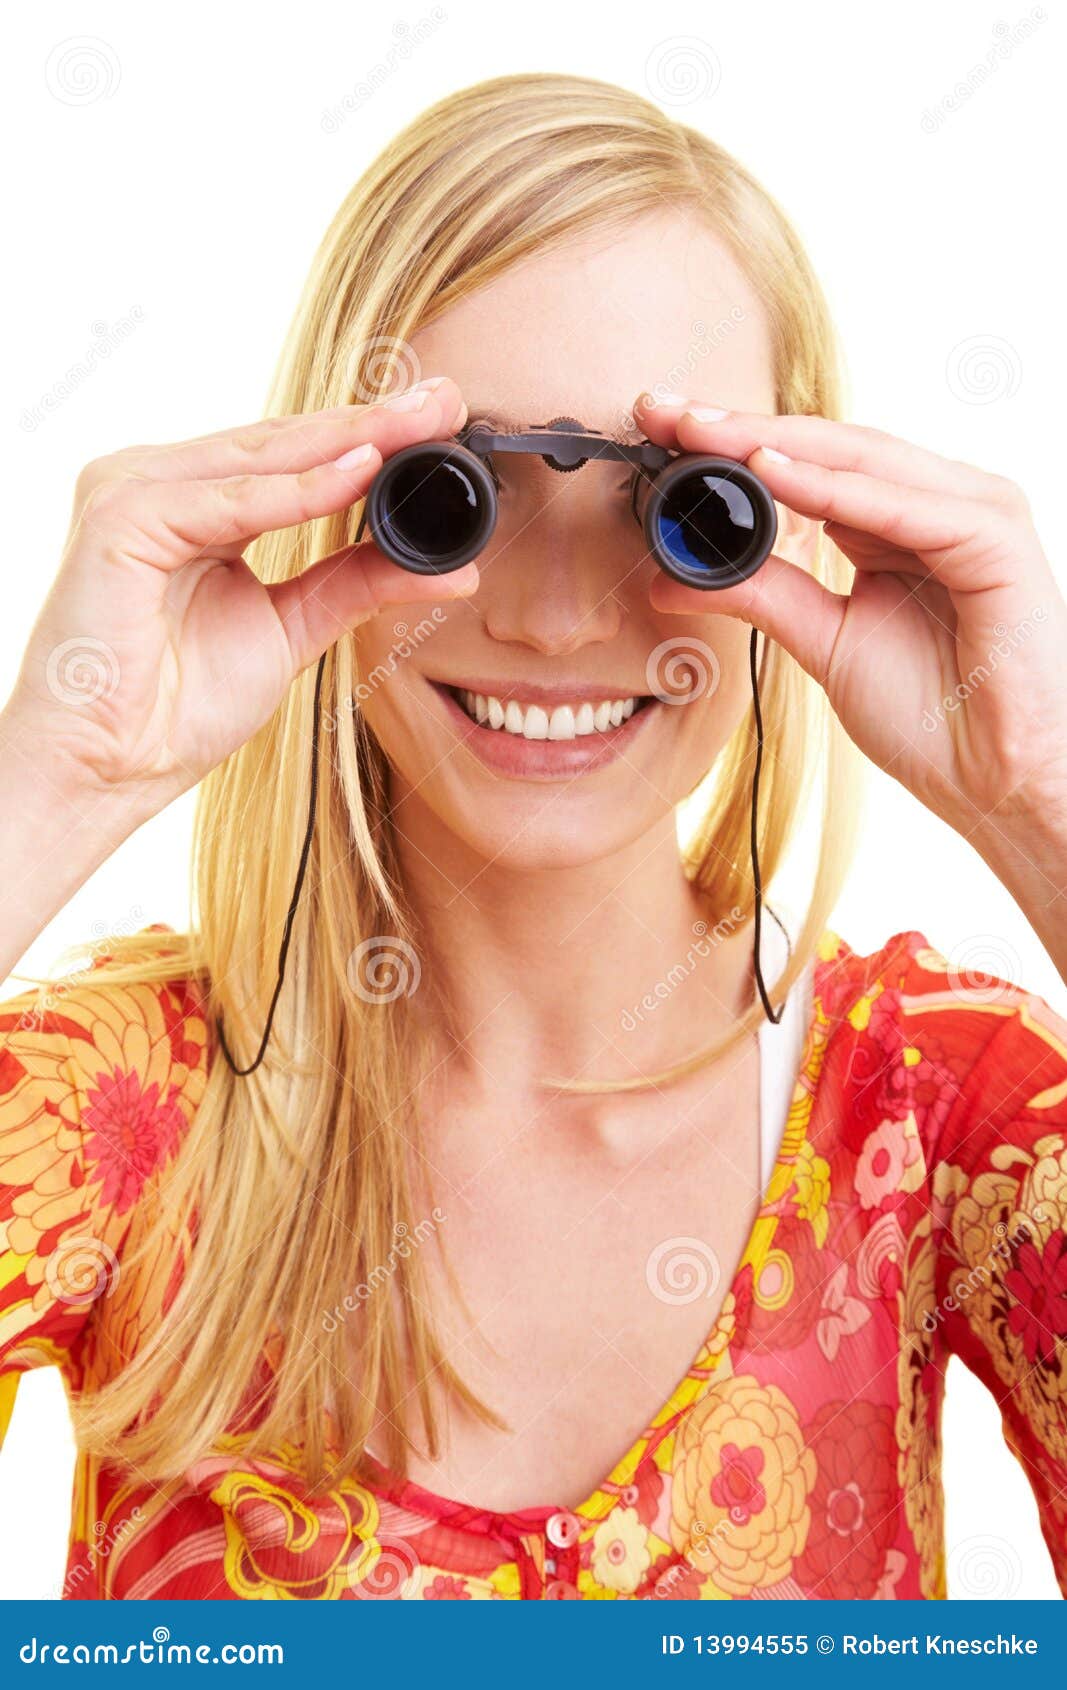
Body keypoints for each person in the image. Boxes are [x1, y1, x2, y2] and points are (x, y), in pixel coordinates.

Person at [1, 72, 1065, 1602]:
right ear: (332, 502)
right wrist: (58, 772)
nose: (559, 616)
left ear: (803, 524)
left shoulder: (935, 1109)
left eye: (674, 509)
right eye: (459, 496)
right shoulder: (118, 1110)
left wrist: (1041, 799)